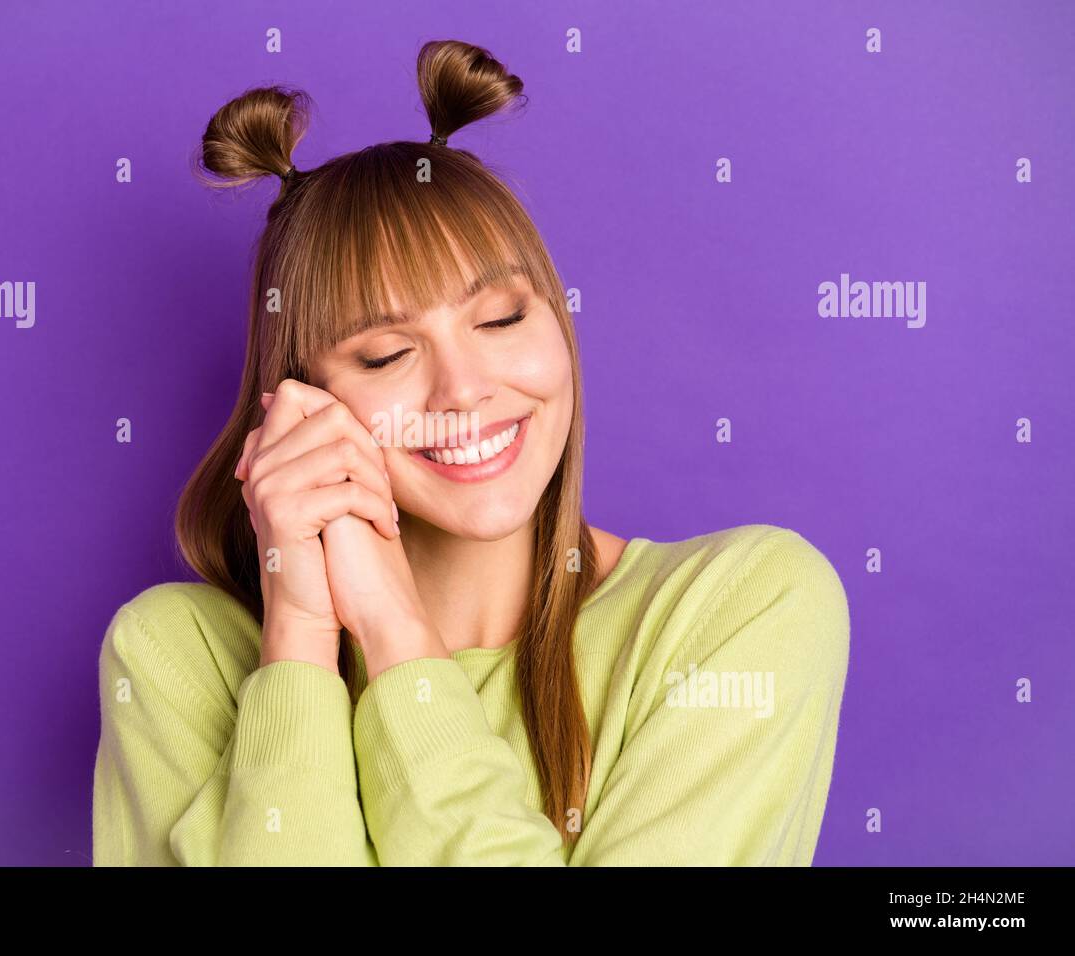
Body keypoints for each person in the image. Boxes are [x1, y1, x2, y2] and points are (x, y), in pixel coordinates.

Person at [91, 38, 850, 866]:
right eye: (384, 355)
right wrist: (302, 640)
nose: (462, 389)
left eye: (500, 320)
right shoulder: (175, 657)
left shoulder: (743, 608)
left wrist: (394, 633)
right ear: (298, 403)